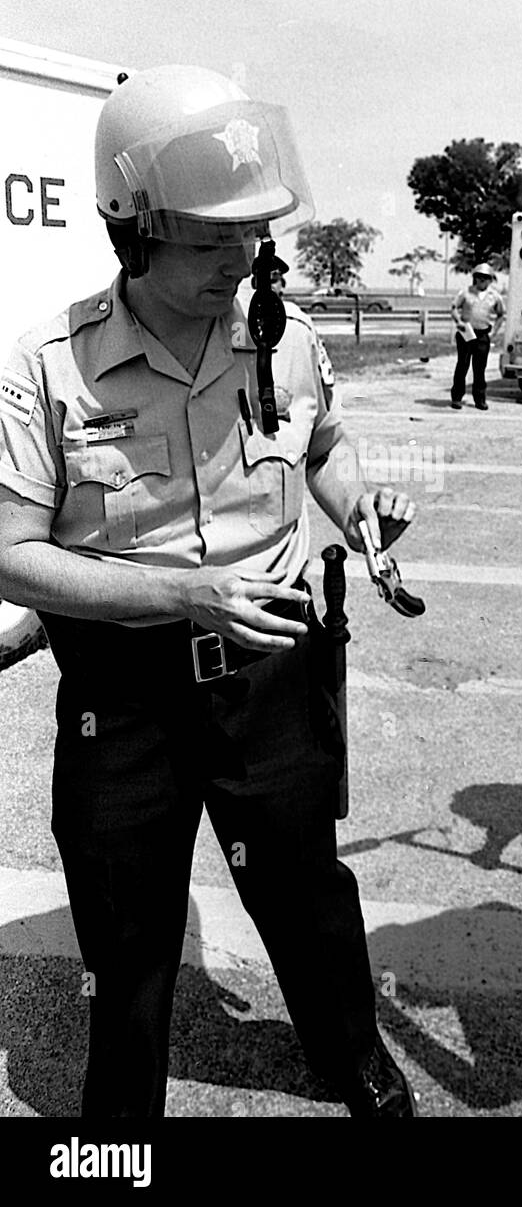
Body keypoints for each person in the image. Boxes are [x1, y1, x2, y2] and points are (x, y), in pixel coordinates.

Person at [0, 64, 418, 1119]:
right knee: (127, 922)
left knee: (306, 890)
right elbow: (8, 553)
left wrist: (359, 508)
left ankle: (349, 1052)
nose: (240, 258)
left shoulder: (287, 338)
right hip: (125, 691)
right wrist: (184, 594)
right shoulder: (48, 369)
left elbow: (323, 443)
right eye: (209, 238)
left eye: (252, 235)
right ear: (131, 231)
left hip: (273, 670)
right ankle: (121, 1118)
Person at [449, 262, 505, 410]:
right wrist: (458, 321)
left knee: (479, 369)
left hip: (482, 335)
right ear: (475, 278)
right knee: (463, 365)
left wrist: (494, 332)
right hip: (466, 332)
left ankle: (480, 399)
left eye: (485, 278)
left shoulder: (495, 296)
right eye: (479, 277)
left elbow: (501, 315)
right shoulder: (465, 292)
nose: (482, 280)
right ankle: (457, 397)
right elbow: (454, 308)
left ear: (490, 280)